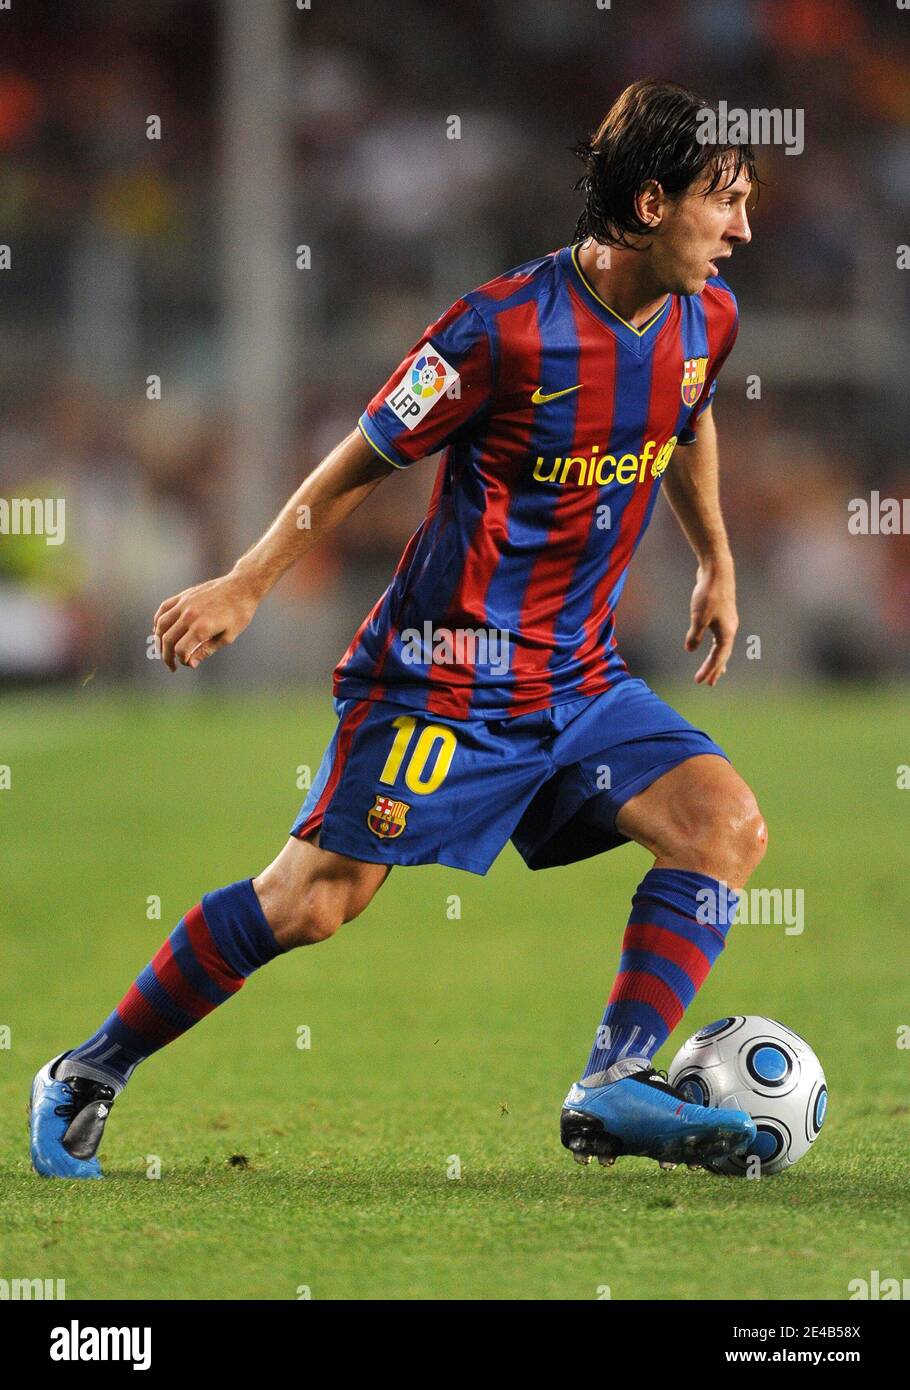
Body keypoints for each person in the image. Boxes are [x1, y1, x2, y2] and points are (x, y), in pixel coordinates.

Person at [30, 78, 766, 1179]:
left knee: (724, 825)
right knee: (317, 901)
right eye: (727, 202)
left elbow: (688, 414)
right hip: (445, 677)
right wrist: (243, 581)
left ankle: (610, 1083)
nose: (744, 230)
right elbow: (353, 468)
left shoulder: (707, 316)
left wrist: (714, 555)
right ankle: (87, 1069)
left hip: (578, 676)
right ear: (652, 204)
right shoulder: (499, 330)